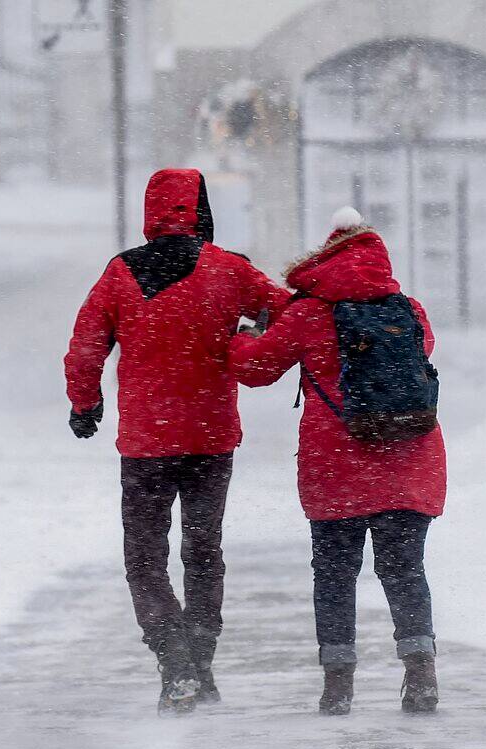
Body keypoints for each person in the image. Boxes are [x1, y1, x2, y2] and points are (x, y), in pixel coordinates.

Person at [64, 168, 289, 715]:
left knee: (144, 558)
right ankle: (201, 663)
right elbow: (284, 311)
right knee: (203, 552)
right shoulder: (230, 271)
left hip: (146, 443)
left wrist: (84, 402)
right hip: (210, 437)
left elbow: (86, 344)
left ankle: (175, 664)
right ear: (200, 210)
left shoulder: (120, 274)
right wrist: (250, 335)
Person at [227, 208, 447, 716]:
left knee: (334, 574)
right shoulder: (410, 311)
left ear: (323, 263)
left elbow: (255, 369)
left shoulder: (308, 314)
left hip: (338, 467)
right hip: (410, 460)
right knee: (405, 570)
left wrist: (242, 334)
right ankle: (421, 677)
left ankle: (338, 685)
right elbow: (418, 359)